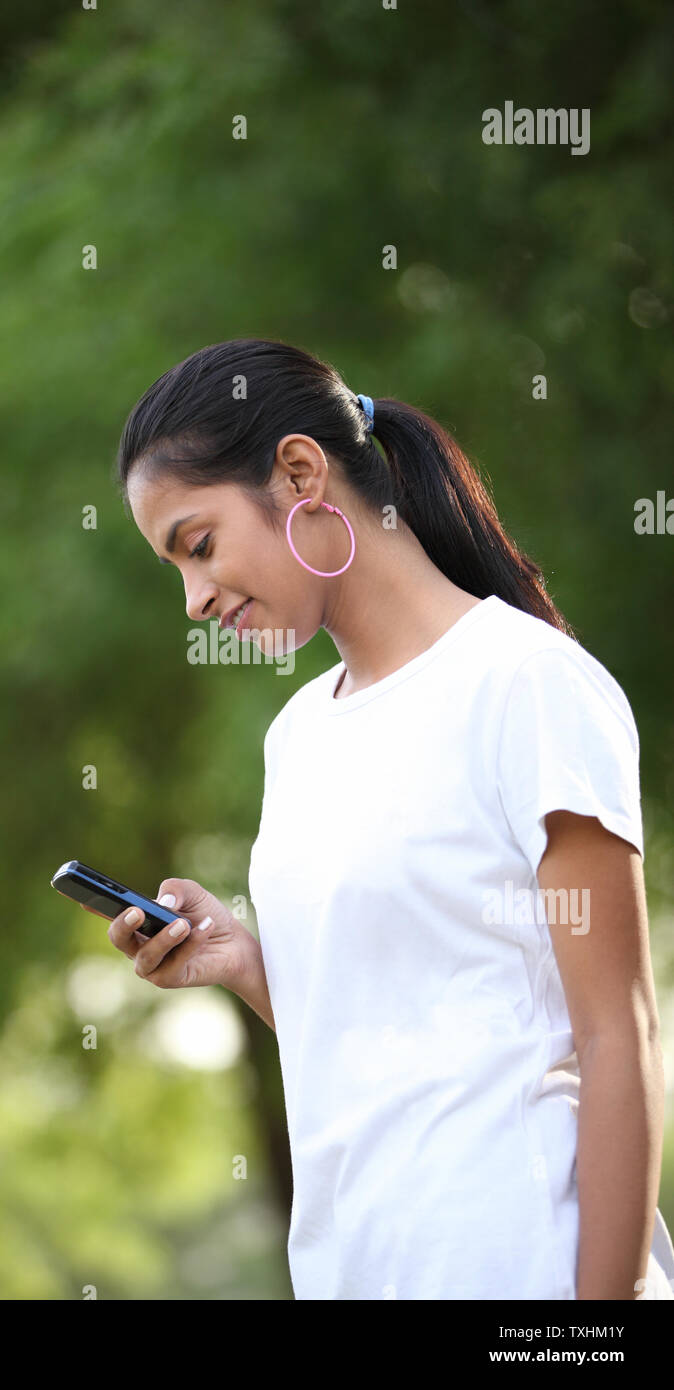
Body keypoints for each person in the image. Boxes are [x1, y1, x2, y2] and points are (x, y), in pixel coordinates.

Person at [97, 336, 674, 1300]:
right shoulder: (296, 737)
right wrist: (248, 966)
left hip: (524, 1269)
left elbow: (619, 1035)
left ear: (299, 472)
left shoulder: (525, 685)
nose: (194, 600)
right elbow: (384, 1041)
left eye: (198, 545)